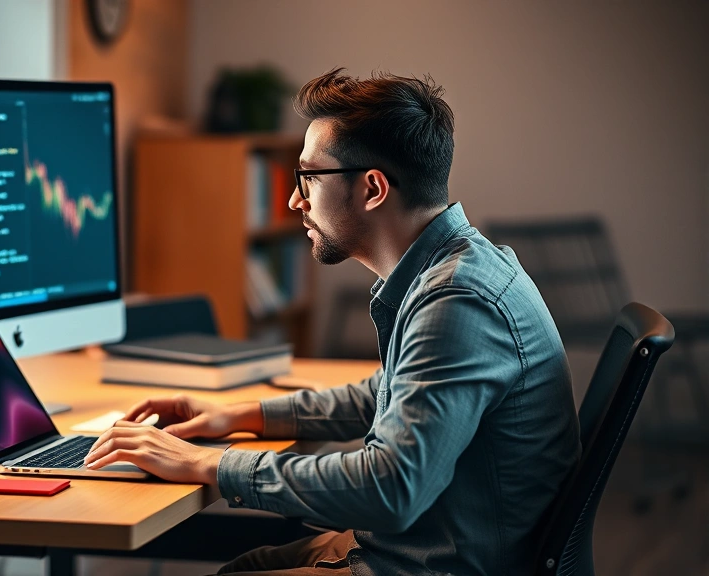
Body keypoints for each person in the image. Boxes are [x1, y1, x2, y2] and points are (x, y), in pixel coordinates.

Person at [84, 68, 581, 576]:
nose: (294, 200)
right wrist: (236, 414)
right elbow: (384, 393)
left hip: (439, 563)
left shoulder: (456, 300)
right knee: (243, 567)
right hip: (427, 548)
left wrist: (205, 463)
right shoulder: (454, 270)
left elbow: (391, 490)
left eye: (308, 177)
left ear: (372, 188)